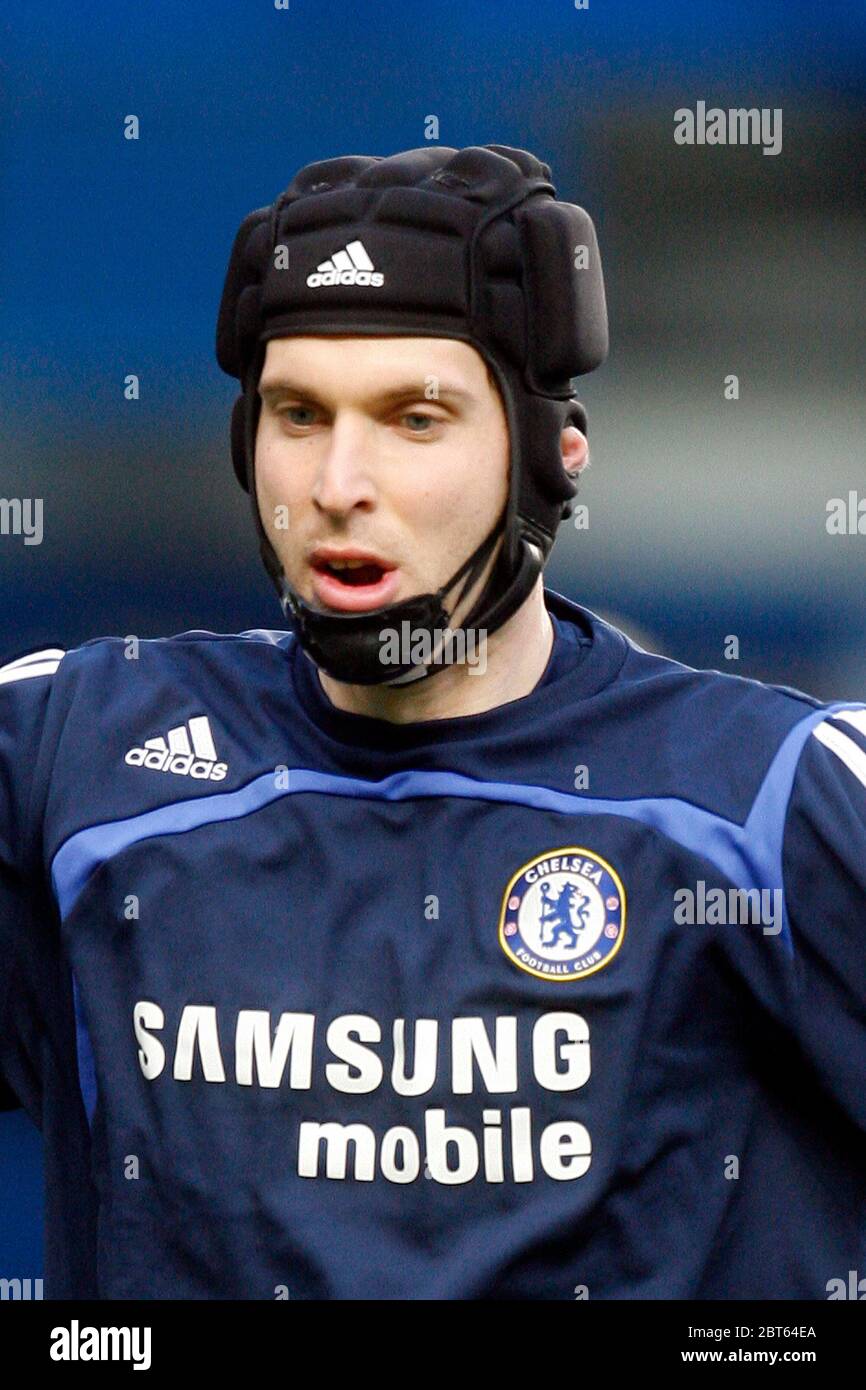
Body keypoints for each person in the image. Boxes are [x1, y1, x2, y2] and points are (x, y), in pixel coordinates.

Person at [1, 144, 864, 1300]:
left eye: (415, 418)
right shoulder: (69, 760)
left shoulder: (767, 804)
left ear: (550, 458)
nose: (338, 479)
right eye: (297, 413)